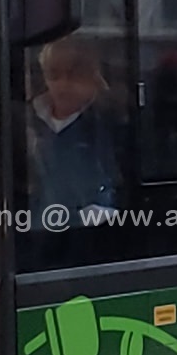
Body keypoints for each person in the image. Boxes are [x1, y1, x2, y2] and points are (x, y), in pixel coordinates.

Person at [27, 35, 121, 218]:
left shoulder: (111, 123)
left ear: (93, 75)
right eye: (54, 74)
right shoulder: (25, 119)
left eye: (74, 74)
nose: (63, 84)